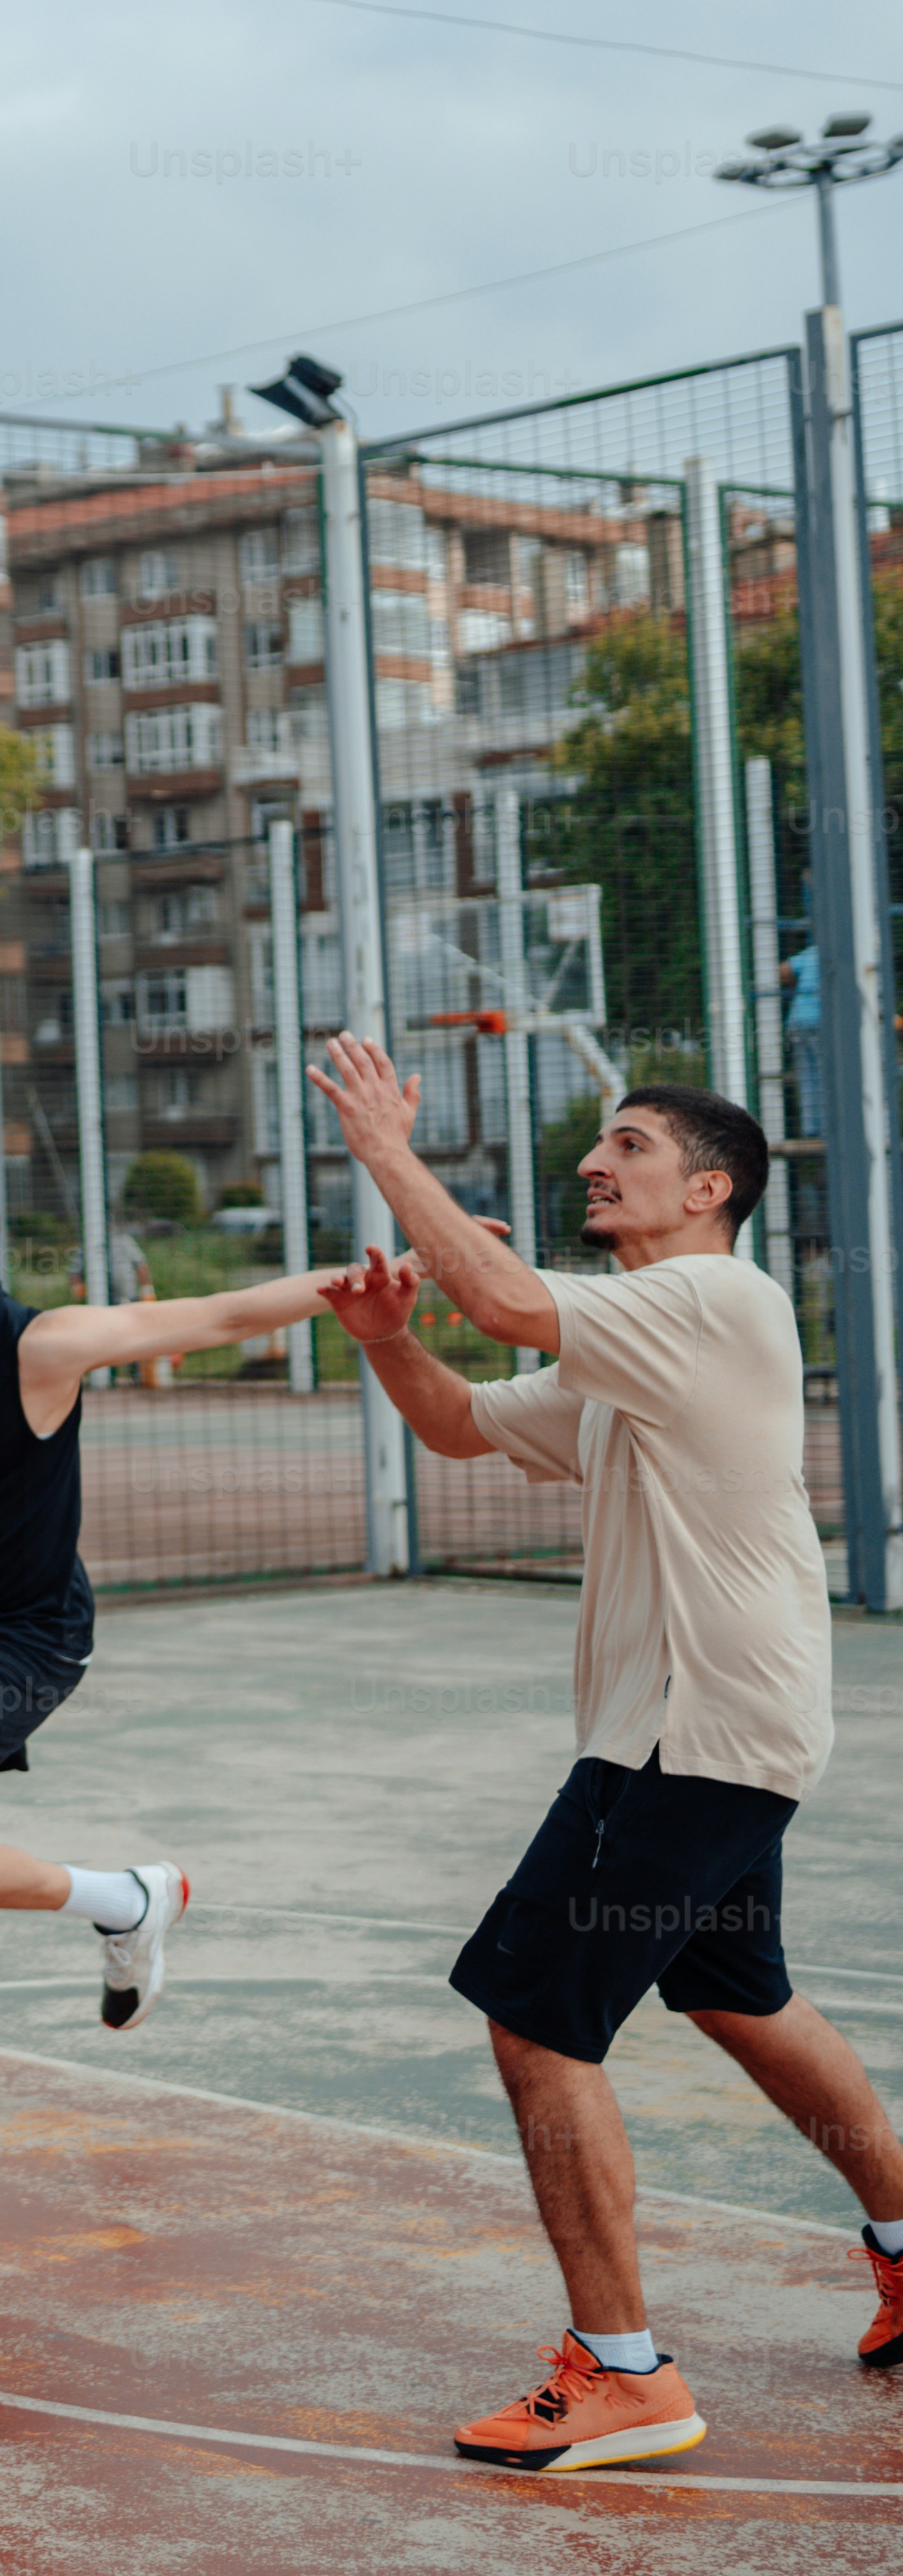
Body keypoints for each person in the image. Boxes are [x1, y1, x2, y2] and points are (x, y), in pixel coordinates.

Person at [306, 1042, 900, 2471]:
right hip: (724, 1725)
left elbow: (508, 1297)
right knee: (739, 1991)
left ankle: (625, 2367)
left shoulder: (713, 1296)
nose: (592, 1160)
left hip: (682, 1736)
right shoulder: (644, 1331)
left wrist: (388, 1146)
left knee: (536, 2020)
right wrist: (390, 1333)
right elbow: (459, 1423)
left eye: (625, 1144)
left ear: (708, 1188)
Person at [0, 1176, 386, 2178]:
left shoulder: (42, 1349)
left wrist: (362, 1280)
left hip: (31, 1632)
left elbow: (215, 1313)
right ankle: (129, 1900)